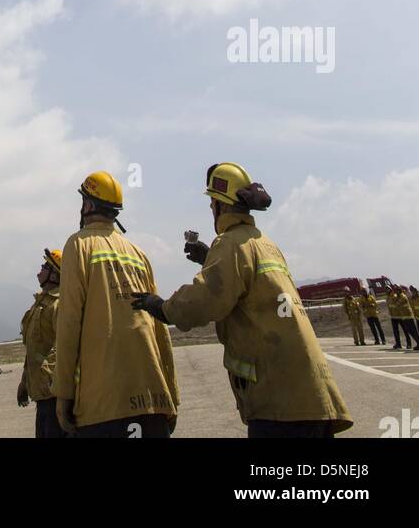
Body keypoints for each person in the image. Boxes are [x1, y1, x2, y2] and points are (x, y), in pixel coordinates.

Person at [133, 162, 351, 439]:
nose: (212, 210)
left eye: (212, 204)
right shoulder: (265, 243)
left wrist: (161, 307)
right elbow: (246, 283)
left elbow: (205, 300)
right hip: (310, 394)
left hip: (279, 402)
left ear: (219, 205)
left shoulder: (230, 244)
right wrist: (208, 258)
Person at [52, 171, 179, 438]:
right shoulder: (138, 254)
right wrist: (171, 396)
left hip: (103, 407)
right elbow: (159, 329)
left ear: (87, 205)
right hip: (151, 400)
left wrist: (63, 394)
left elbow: (69, 324)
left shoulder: (78, 246)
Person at [18, 248, 65, 438]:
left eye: (46, 266)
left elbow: (64, 345)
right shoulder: (40, 303)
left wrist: (51, 380)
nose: (41, 269)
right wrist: (25, 383)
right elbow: (33, 349)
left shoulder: (60, 305)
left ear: (55, 275)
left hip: (55, 396)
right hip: (42, 396)